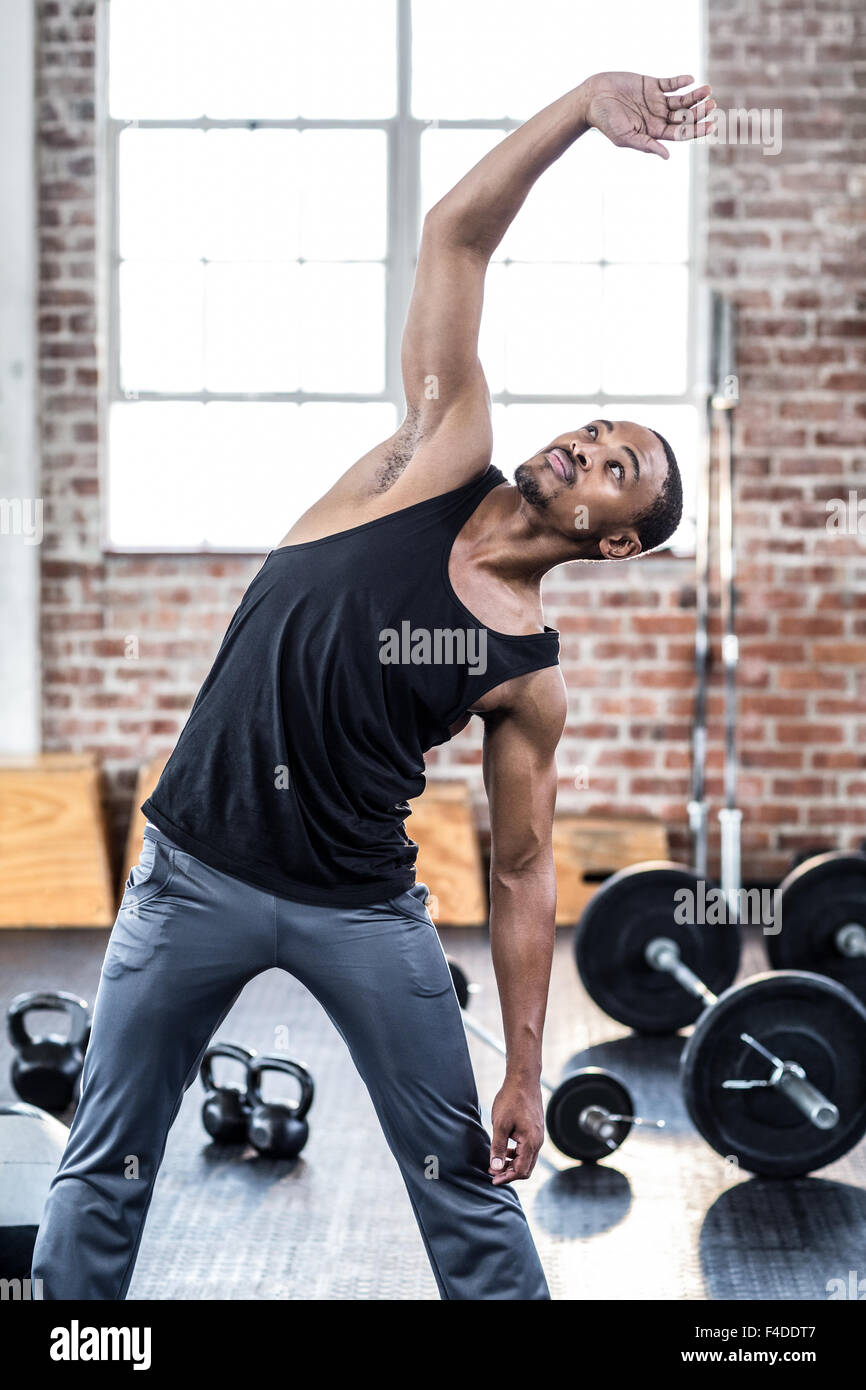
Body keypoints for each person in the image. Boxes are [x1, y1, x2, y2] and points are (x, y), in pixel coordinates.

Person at [34, 69, 714, 1301]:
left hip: (361, 911)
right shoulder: (435, 449)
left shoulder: (526, 677)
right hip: (193, 872)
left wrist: (524, 1069)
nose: (583, 441)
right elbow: (455, 233)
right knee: (105, 1161)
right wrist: (578, 109)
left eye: (615, 465)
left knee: (462, 1176)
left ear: (612, 538)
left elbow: (519, 875)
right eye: (597, 427)